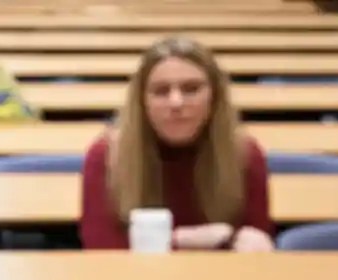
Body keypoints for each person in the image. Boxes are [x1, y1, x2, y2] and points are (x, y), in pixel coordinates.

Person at [79, 36, 275, 251]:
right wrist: (182, 239)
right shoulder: (106, 156)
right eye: (161, 91)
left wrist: (157, 242)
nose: (176, 102)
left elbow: (256, 247)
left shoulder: (244, 154)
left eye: (191, 89)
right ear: (142, 101)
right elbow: (102, 252)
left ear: (214, 96)